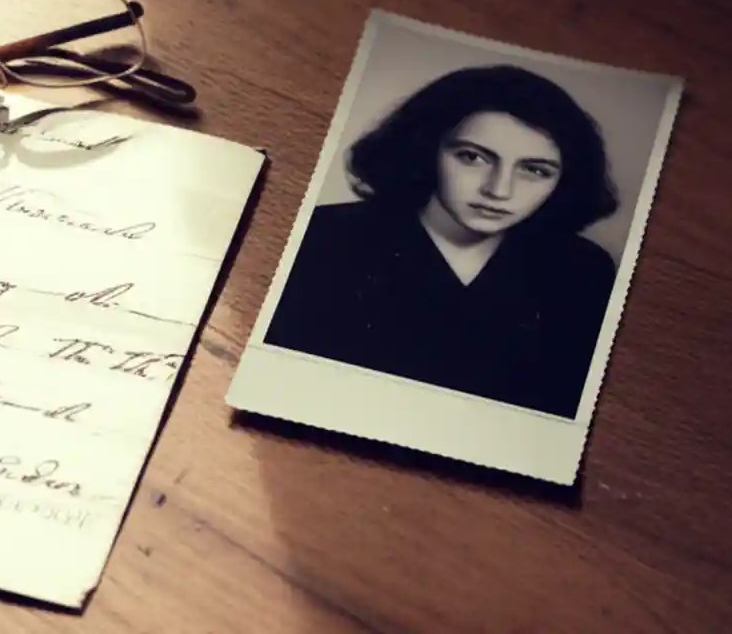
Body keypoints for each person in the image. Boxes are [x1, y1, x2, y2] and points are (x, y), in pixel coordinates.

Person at [265, 65, 619, 419]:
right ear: (426, 148)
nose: (499, 190)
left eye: (535, 170)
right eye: (472, 157)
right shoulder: (321, 237)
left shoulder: (583, 271)